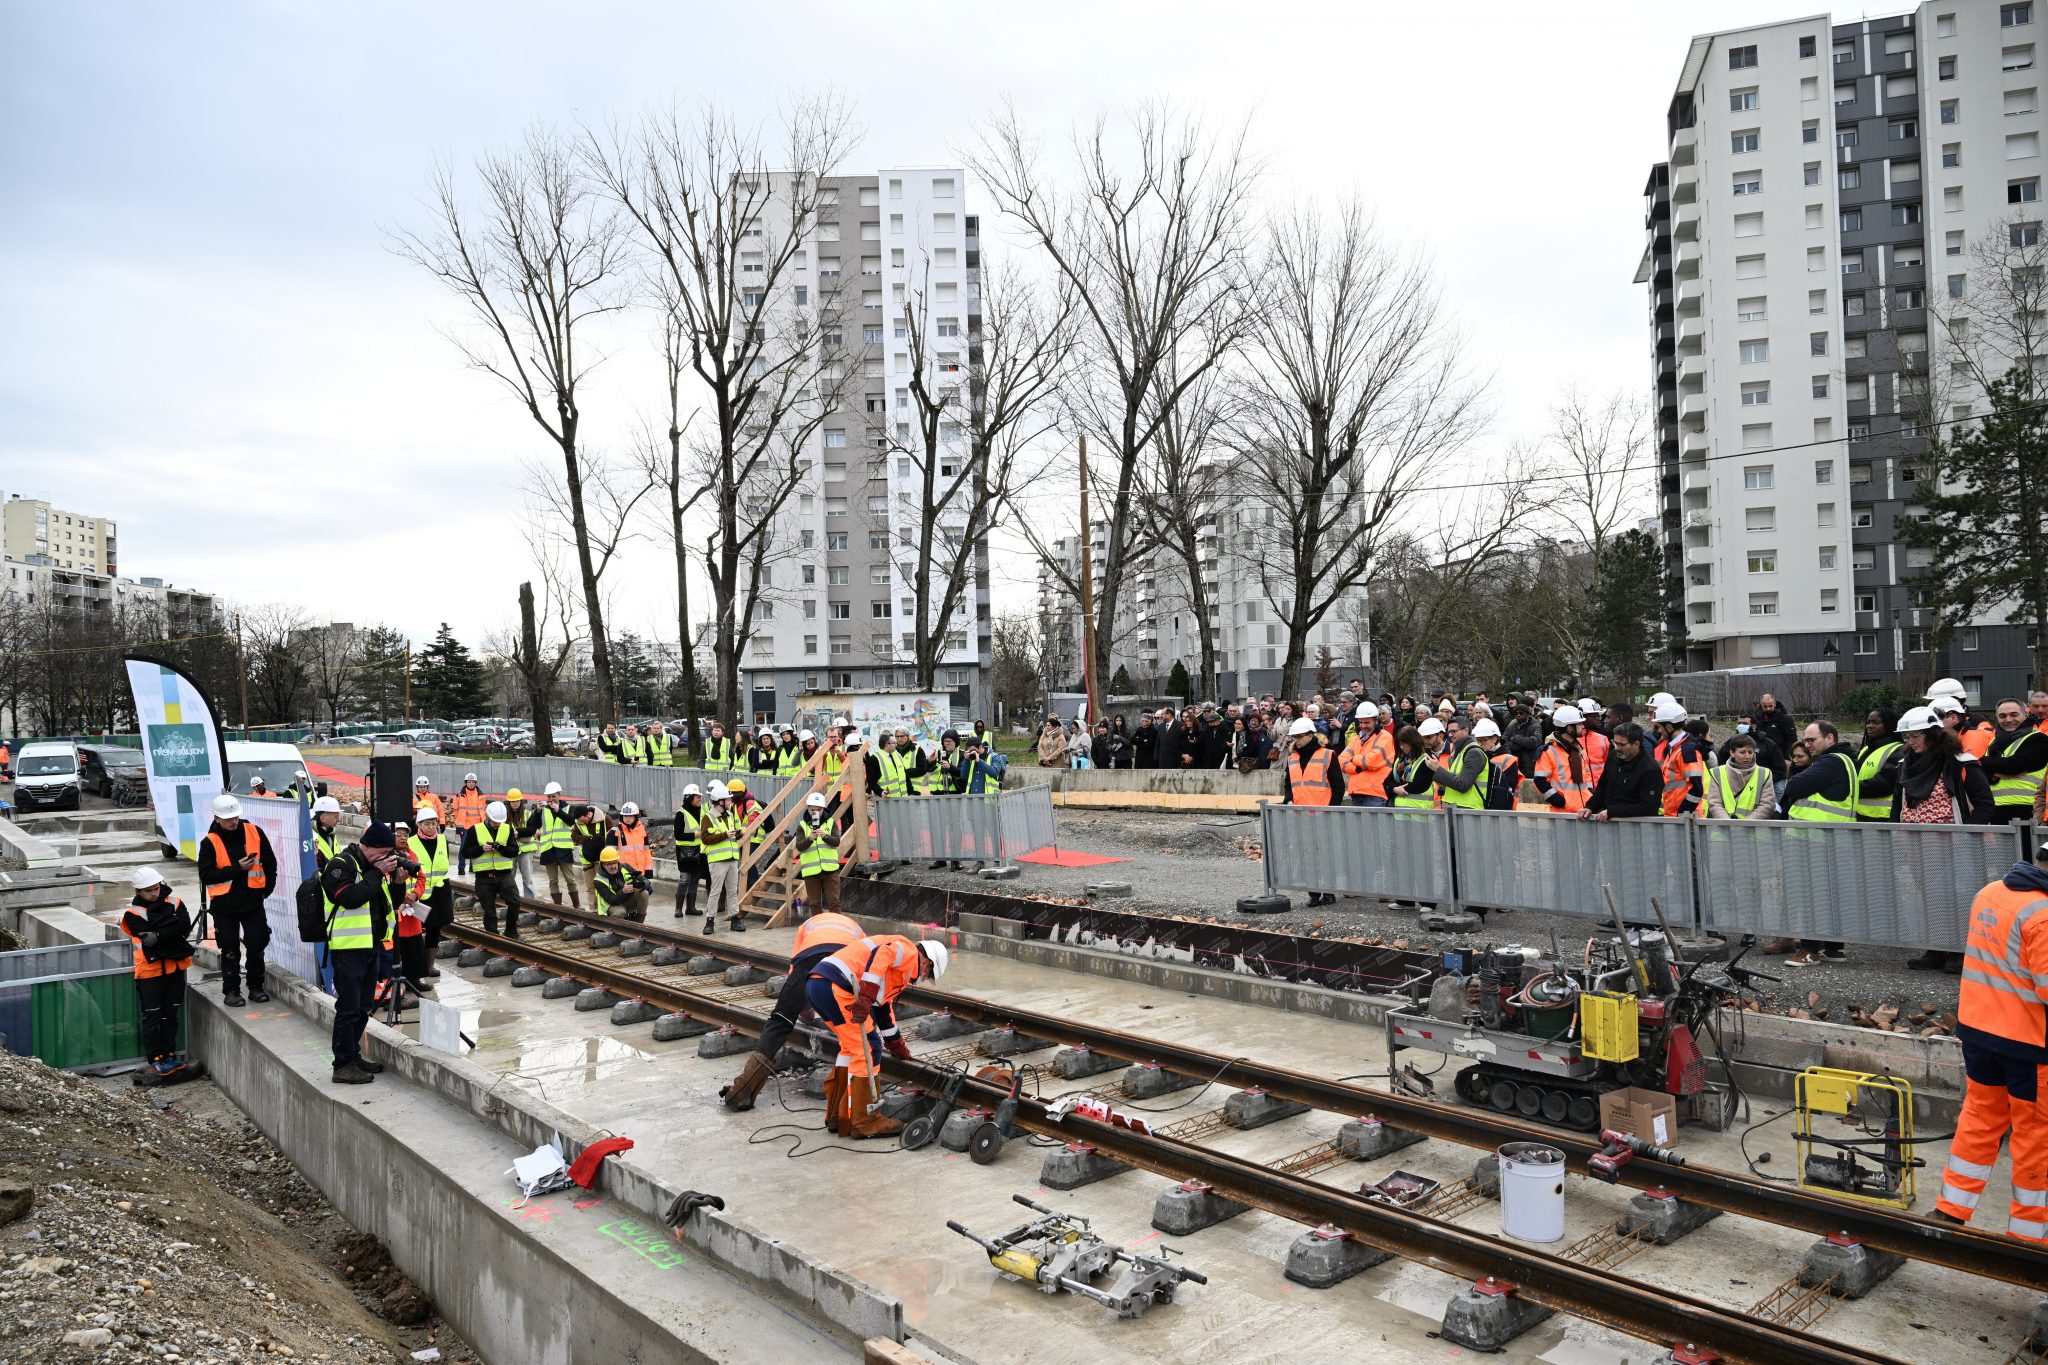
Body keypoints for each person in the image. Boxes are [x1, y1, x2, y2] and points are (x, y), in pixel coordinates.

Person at [1933, 839, 2048, 1234]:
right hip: (2028, 1047)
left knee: (1980, 1120)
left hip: (1980, 1034)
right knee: (2036, 1141)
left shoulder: (1990, 893)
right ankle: (2029, 1242)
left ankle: (1950, 1212)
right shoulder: (2043, 915)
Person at [721, 910, 869, 1114]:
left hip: (810, 960)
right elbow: (865, 966)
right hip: (845, 964)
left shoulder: (806, 926)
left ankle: (742, 1092)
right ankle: (846, 1102)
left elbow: (796, 969)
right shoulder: (857, 929)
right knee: (851, 1024)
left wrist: (802, 1010)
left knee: (780, 1021)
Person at [806, 935, 950, 1138]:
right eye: (928, 974)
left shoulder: (895, 974)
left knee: (851, 1048)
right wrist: (866, 995)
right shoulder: (908, 952)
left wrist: (896, 1044)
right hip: (838, 987)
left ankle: (840, 1117)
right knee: (869, 1049)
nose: (923, 978)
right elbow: (883, 953)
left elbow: (883, 1009)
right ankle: (865, 1121)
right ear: (926, 961)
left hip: (818, 985)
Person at [318, 822, 404, 1085]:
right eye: (384, 852)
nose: (386, 858)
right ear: (368, 846)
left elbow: (387, 903)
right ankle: (341, 1065)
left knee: (364, 1007)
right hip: (348, 949)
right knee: (348, 1008)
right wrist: (377, 873)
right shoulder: (341, 865)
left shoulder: (371, 868)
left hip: (371, 946)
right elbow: (350, 898)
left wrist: (398, 883)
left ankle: (352, 1055)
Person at [1774, 721, 1858, 968]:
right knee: (1831, 896)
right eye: (1806, 741)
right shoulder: (1845, 760)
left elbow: (1794, 786)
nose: (1808, 745)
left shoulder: (1830, 761)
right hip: (1830, 839)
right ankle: (1834, 948)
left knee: (1812, 895)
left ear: (1829, 738)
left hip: (1814, 840)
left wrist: (1797, 784)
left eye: (1812, 740)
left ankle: (1810, 950)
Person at [197, 793, 277, 1007]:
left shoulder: (254, 832)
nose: (234, 821)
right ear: (216, 818)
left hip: (253, 903)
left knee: (257, 942)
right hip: (225, 906)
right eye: (228, 818)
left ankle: (256, 986)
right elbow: (206, 876)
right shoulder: (209, 843)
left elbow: (270, 863)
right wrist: (237, 869)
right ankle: (231, 990)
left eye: (236, 817)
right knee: (230, 948)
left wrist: (264, 891)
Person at [122, 867, 196, 1081]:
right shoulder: (133, 914)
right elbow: (148, 938)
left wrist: (159, 933)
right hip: (150, 973)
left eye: (156, 888)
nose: (155, 893)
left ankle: (169, 1055)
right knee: (153, 1017)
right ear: (139, 892)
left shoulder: (175, 902)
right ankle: (156, 1059)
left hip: (174, 968)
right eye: (149, 891)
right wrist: (169, 930)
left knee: (171, 1015)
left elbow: (183, 926)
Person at [1281, 717, 1341, 906]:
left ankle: (1329, 892)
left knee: (1325, 855)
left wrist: (1332, 810)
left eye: (1299, 737)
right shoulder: (1292, 759)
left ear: (1310, 735)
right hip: (1301, 815)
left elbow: (1338, 786)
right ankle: (1313, 893)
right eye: (1294, 738)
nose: (1296, 741)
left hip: (1323, 814)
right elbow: (1289, 785)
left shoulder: (1328, 755)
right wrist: (1289, 800)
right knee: (1307, 854)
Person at [463, 799, 523, 940]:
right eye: (495, 821)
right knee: (489, 909)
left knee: (515, 902)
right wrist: (481, 849)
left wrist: (501, 848)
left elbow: (514, 851)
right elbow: (465, 852)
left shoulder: (507, 829)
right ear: (487, 817)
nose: (497, 824)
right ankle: (493, 937)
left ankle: (511, 931)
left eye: (499, 822)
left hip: (504, 875)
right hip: (484, 877)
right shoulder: (474, 830)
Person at [1982, 698, 2048, 826]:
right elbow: (1981, 773)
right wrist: (1993, 771)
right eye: (2002, 716)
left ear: (2026, 715)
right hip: (1996, 810)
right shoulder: (1994, 743)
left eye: (2014, 714)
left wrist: (1983, 761)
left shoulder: (2039, 739)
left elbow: (2013, 765)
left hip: (2030, 810)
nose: (2008, 720)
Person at [406, 806, 455, 969]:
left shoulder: (442, 841)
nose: (431, 827)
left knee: (435, 928)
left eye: (434, 824)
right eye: (427, 824)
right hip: (419, 893)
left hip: (440, 891)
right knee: (416, 930)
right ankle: (418, 964)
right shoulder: (410, 842)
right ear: (419, 825)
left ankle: (429, 966)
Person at [1582, 723, 1662, 820]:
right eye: (1615, 743)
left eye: (1621, 745)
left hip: (1636, 827)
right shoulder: (1613, 757)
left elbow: (1649, 807)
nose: (1616, 747)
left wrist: (1612, 812)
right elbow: (1602, 788)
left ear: (1636, 744)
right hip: (1610, 824)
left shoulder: (1650, 770)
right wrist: (1590, 807)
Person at [698, 788, 745, 935]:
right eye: (729, 800)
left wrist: (738, 835)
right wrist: (724, 835)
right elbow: (705, 839)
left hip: (732, 859)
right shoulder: (708, 817)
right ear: (720, 801)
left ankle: (735, 918)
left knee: (732, 891)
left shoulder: (730, 815)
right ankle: (710, 921)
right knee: (715, 892)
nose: (731, 802)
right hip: (718, 861)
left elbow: (730, 836)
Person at [1532, 705, 1594, 814]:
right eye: (1579, 724)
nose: (1583, 726)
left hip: (1584, 809)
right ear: (1569, 728)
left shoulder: (1578, 749)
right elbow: (1539, 780)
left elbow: (1587, 774)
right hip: (1563, 812)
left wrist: (1590, 794)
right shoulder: (1549, 751)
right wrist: (1558, 800)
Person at [791, 792, 843, 917]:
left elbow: (836, 842)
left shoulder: (830, 823)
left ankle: (837, 929)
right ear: (808, 809)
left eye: (818, 810)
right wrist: (810, 838)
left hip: (830, 870)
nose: (815, 813)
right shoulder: (802, 826)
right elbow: (799, 846)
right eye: (812, 810)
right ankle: (817, 930)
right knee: (814, 903)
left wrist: (825, 836)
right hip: (811, 872)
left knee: (834, 902)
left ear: (823, 809)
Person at [1650, 702, 1705, 817]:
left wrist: (1683, 813)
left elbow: (1696, 788)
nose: (1659, 731)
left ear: (1669, 727)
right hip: (1677, 817)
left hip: (1685, 819)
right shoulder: (1676, 747)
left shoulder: (1686, 750)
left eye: (1659, 727)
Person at [1704, 732, 1775, 819]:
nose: (1747, 756)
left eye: (1750, 752)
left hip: (1753, 830)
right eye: (1742, 752)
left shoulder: (1765, 773)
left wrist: (1745, 825)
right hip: (1724, 830)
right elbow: (1714, 804)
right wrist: (1729, 824)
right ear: (1732, 753)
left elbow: (1767, 805)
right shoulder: (1717, 773)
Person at [534, 782, 581, 911]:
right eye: (548, 797)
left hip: (564, 849)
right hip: (549, 849)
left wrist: (558, 811)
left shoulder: (568, 808)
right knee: (553, 881)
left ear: (559, 795)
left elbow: (571, 821)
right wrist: (537, 812)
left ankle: (577, 906)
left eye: (553, 796)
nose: (550, 799)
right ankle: (557, 908)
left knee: (570, 879)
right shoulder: (543, 809)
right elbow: (533, 824)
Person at [1853, 710, 1904, 823]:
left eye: (1876, 723)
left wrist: (1848, 788)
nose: (1870, 726)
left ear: (1888, 725)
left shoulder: (1899, 750)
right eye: (1868, 722)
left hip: (1883, 818)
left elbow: (1883, 784)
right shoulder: (1866, 749)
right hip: (1858, 815)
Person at [670, 782, 707, 919]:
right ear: (689, 797)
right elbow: (678, 835)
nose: (699, 799)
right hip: (685, 852)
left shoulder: (702, 810)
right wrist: (695, 836)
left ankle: (691, 908)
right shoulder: (681, 814)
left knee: (695, 879)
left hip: (699, 851)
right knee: (685, 879)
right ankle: (678, 909)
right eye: (697, 796)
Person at [591, 846, 649, 921]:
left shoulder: (626, 867)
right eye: (609, 864)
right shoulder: (598, 880)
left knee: (644, 893)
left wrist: (640, 885)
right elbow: (612, 900)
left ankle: (638, 925)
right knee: (619, 912)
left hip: (626, 901)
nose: (613, 866)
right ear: (602, 865)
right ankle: (616, 929)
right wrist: (623, 892)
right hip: (611, 905)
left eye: (615, 863)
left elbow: (646, 881)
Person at [503, 787, 540, 898]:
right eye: (513, 801)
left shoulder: (528, 814)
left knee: (527, 879)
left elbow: (532, 830)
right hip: (510, 850)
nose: (515, 803)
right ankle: (510, 899)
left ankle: (529, 902)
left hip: (525, 850)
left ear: (521, 801)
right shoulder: (504, 815)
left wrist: (518, 832)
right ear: (509, 802)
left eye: (517, 801)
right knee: (509, 877)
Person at [449, 773, 487, 875]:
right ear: (466, 783)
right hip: (464, 826)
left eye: (473, 782)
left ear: (475, 783)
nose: (471, 784)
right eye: (469, 782)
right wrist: (456, 798)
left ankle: (472, 866)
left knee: (475, 846)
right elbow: (455, 808)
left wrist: (483, 825)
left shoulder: (481, 796)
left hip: (477, 826)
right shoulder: (460, 795)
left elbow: (482, 811)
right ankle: (461, 868)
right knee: (463, 847)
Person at [615, 801, 654, 882]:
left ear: (635, 816)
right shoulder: (615, 831)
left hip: (640, 874)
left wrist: (648, 871)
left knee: (645, 894)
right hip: (623, 874)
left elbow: (646, 851)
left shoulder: (642, 830)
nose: (627, 818)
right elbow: (610, 853)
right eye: (625, 816)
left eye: (630, 816)